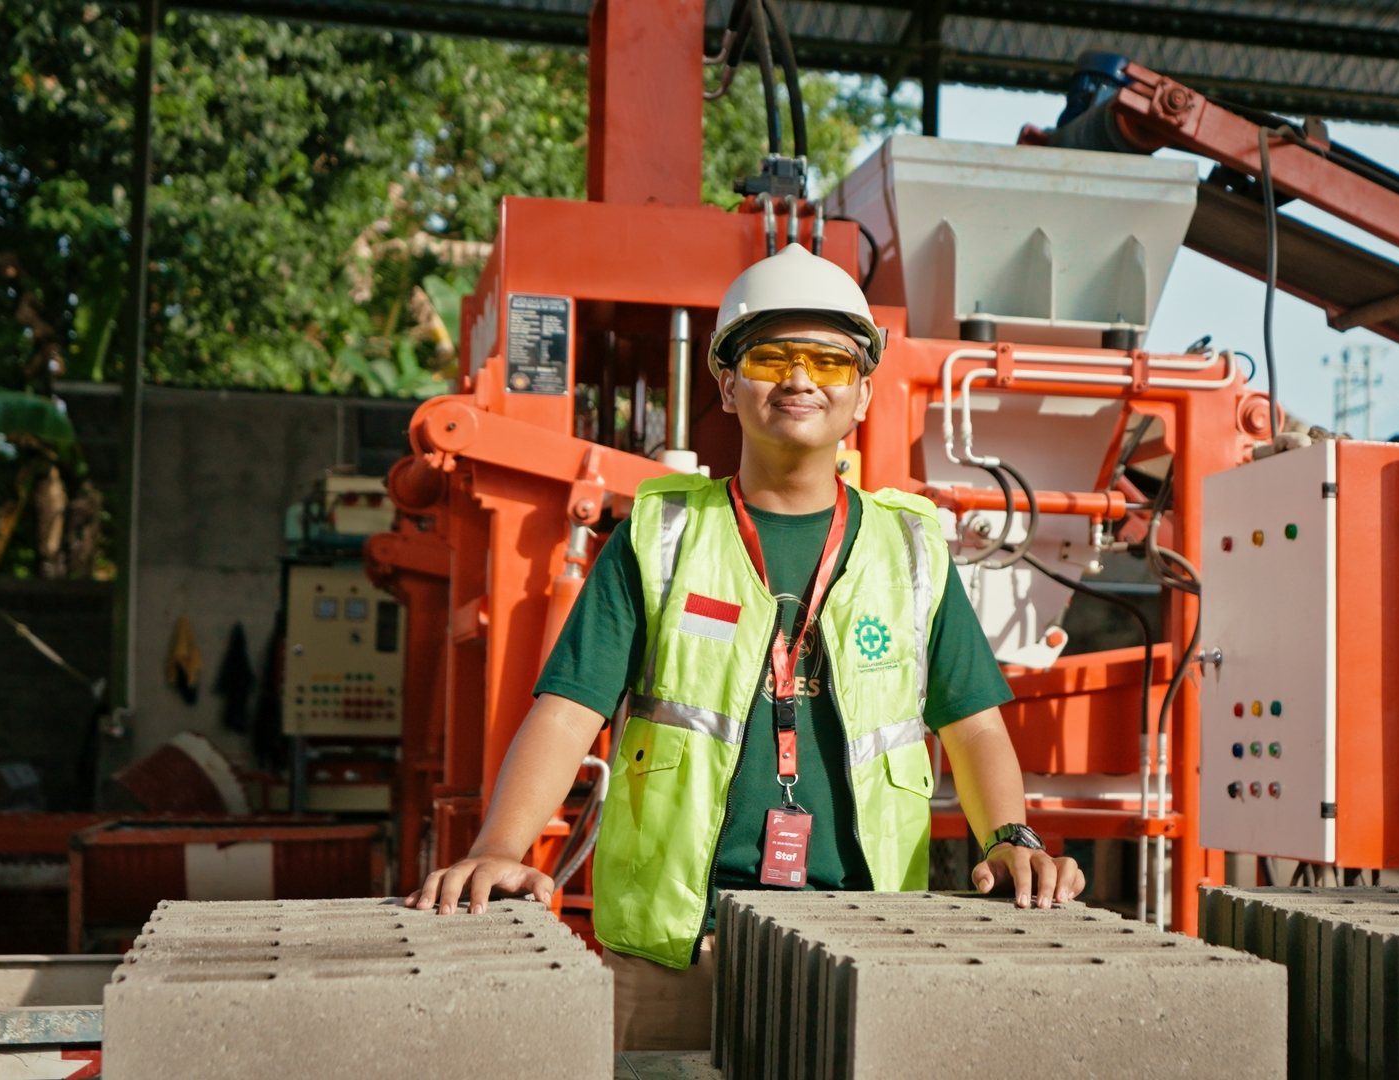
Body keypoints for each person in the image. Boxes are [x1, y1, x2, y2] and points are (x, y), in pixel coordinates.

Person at [409, 243, 1085, 1050]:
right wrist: (498, 849)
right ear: (727, 384)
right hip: (678, 947)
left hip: (867, 943)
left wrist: (1011, 838)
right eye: (772, 357)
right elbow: (567, 711)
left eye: (829, 363)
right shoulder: (660, 538)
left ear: (863, 393)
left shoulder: (911, 550)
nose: (800, 380)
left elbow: (973, 726)